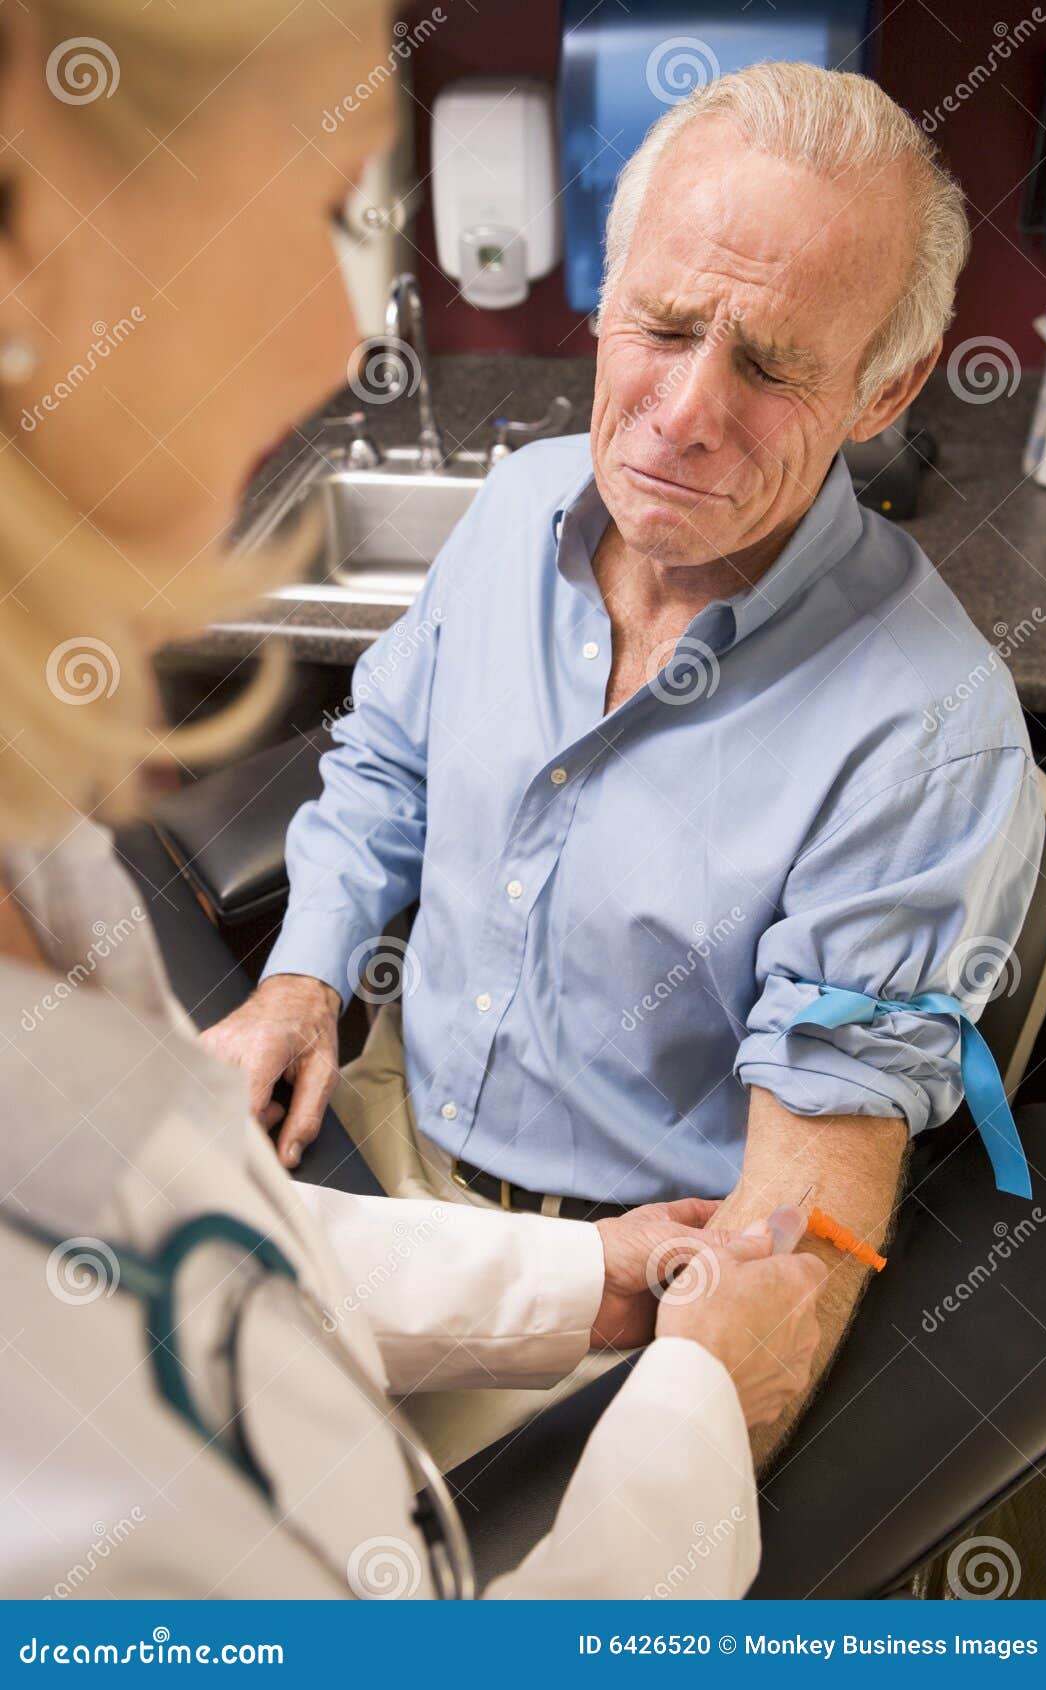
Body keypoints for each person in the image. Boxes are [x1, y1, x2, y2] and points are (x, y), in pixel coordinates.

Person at [0, 0, 825, 1600]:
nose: (333, 333)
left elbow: (188, 1245)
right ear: (23, 219)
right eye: (324, 205)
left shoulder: (38, 872)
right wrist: (696, 1420)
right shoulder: (517, 511)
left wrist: (582, 1279)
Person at [205, 60, 1045, 1467]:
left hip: (629, 1285)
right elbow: (390, 766)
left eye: (771, 364)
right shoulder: (524, 497)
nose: (682, 412)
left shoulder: (923, 734)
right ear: (607, 294)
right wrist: (304, 974)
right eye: (660, 324)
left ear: (884, 387)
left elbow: (801, 1227)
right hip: (363, 1149)